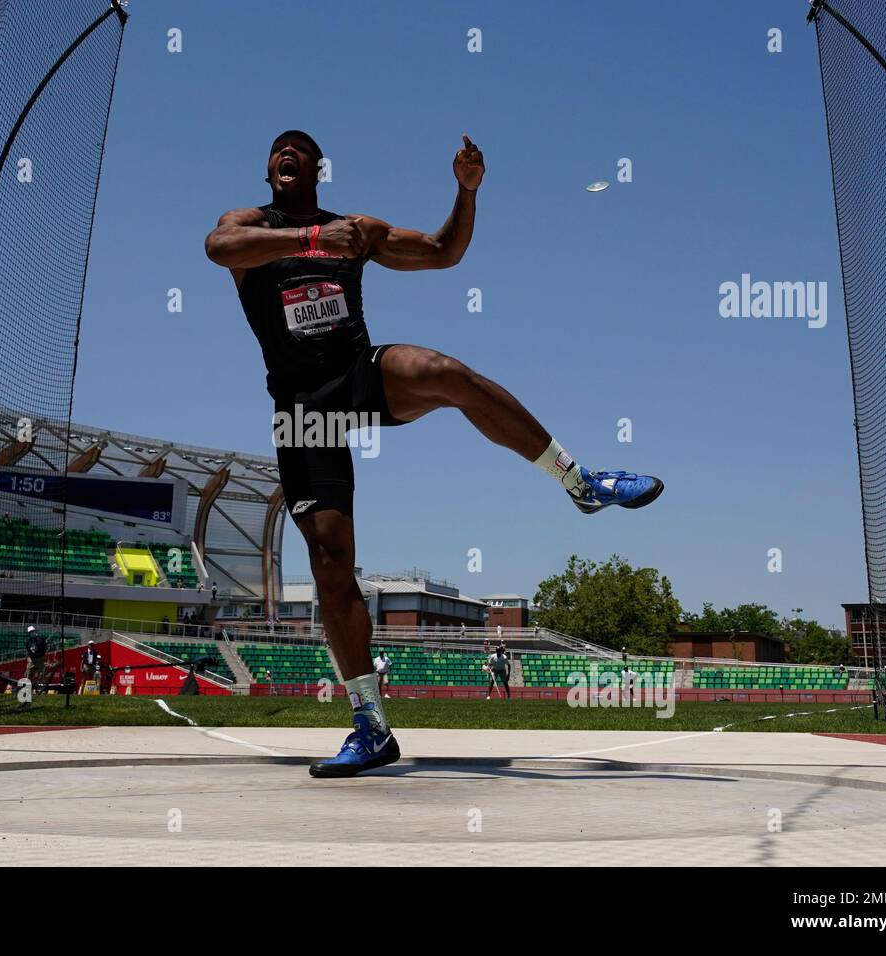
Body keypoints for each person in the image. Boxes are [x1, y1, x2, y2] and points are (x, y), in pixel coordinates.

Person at [205, 130, 662, 776]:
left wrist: (466, 192)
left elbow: (445, 251)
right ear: (267, 170)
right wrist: (309, 242)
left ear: (317, 169)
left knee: (447, 372)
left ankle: (578, 479)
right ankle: (370, 726)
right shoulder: (250, 225)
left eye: (299, 150)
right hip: (303, 406)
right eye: (278, 151)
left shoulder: (356, 230)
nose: (286, 155)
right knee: (333, 562)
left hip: (357, 372)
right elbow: (217, 247)